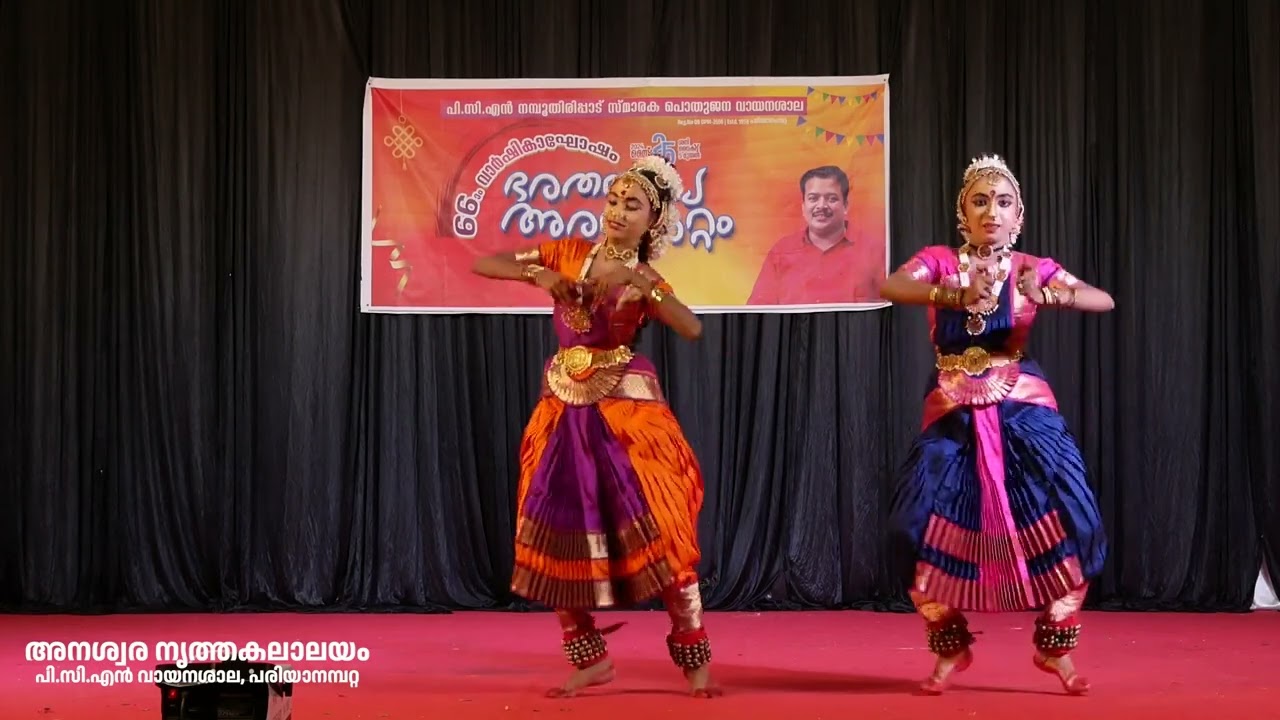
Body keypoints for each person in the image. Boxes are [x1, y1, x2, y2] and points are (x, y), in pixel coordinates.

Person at [471, 155, 720, 699]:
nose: (616, 212)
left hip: (627, 414)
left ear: (653, 221)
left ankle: (693, 653)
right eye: (612, 200)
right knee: (553, 525)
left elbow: (692, 327)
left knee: (663, 529)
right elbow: (485, 264)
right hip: (564, 409)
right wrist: (545, 275)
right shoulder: (569, 253)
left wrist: (643, 282)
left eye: (632, 206)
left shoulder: (645, 278)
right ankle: (589, 657)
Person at [879, 154, 1114, 696]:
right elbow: (893, 286)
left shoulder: (1033, 266)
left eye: (1003, 202)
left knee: (1078, 519)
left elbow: (1103, 300)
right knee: (908, 526)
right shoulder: (939, 262)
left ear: (1019, 216)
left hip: (1025, 408)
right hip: (953, 411)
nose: (992, 210)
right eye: (980, 200)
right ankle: (950, 644)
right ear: (964, 213)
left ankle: (1054, 645)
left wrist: (1049, 293)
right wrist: (951, 295)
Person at [746, 165, 885, 305]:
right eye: (813, 198)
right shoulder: (781, 252)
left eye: (831, 199)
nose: (821, 206)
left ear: (846, 206)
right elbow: (758, 313)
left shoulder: (874, 251)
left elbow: (890, 314)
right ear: (803, 206)